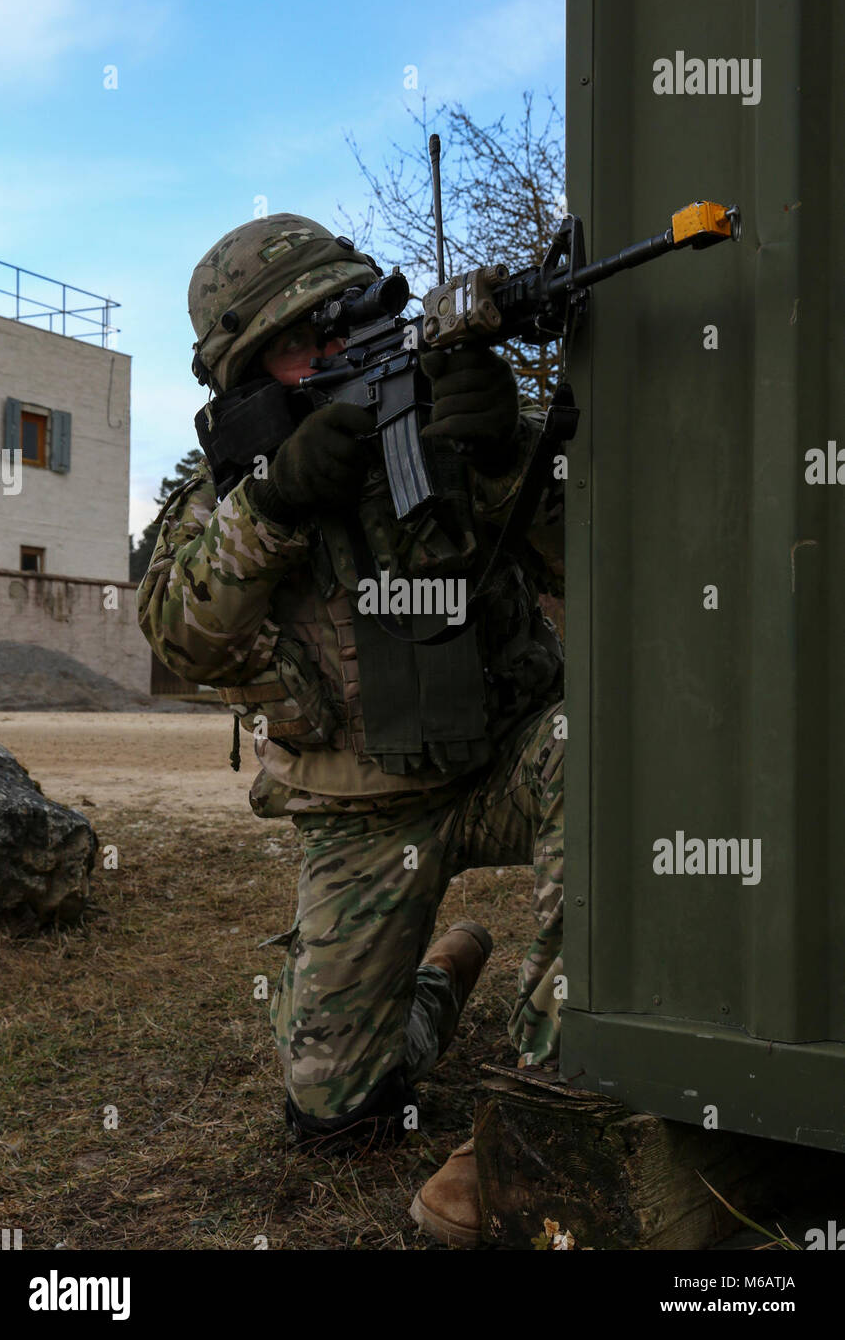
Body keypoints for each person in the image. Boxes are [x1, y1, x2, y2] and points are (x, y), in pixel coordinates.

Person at [137, 213, 565, 1247]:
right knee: (333, 1117)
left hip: (511, 758)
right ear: (244, 378)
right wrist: (276, 500)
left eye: (352, 321)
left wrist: (514, 449)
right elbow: (177, 638)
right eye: (302, 339)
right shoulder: (222, 495)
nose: (335, 353)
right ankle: (438, 976)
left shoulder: (455, 423)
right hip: (363, 819)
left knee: (610, 753)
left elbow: (604, 552)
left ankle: (550, 1120)